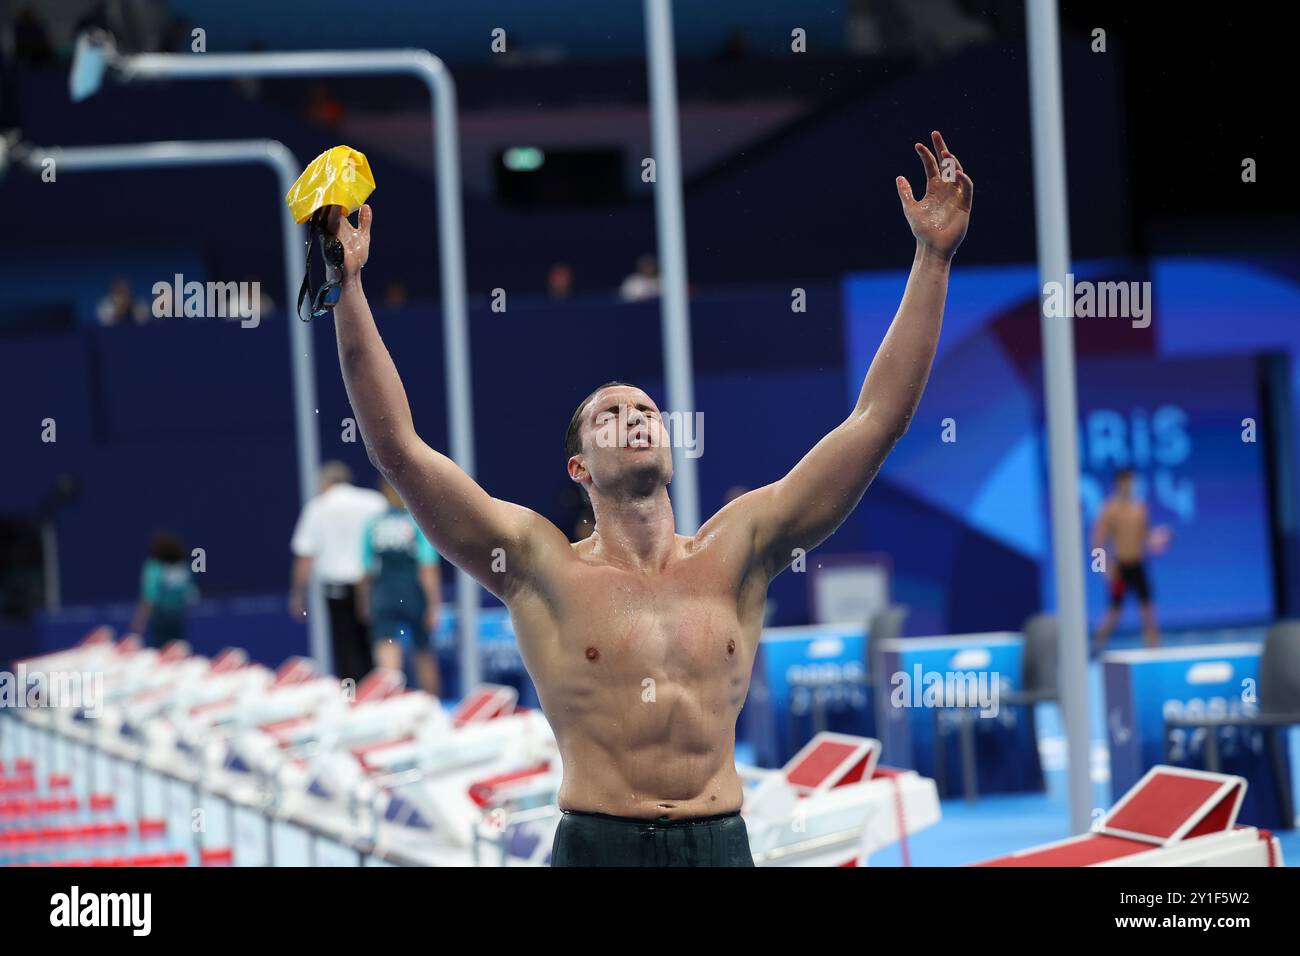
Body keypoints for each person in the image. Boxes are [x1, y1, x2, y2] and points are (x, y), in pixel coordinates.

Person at [322, 130, 971, 866]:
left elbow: (877, 420)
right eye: (610, 414)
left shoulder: (741, 549)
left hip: (721, 842)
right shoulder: (540, 567)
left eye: (646, 411)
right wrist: (347, 290)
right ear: (578, 469)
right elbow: (399, 451)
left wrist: (933, 259)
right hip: (599, 844)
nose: (634, 416)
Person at [290, 461, 388, 683]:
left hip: (338, 588)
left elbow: (305, 554)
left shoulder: (318, 507)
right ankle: (379, 695)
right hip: (375, 585)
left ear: (325, 483)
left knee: (346, 646)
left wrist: (298, 593)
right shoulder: (375, 502)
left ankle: (354, 699)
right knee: (378, 643)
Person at [358, 479, 443, 695]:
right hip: (413, 595)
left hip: (384, 595)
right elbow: (428, 568)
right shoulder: (417, 523)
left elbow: (366, 572)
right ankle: (432, 707)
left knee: (387, 657)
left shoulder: (372, 524)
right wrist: (434, 605)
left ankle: (390, 708)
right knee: (423, 653)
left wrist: (365, 603)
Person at [1090, 468, 1172, 650]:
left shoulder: (1140, 508)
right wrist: (1102, 568)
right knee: (1114, 612)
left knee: (1148, 609)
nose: (1129, 486)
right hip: (1120, 568)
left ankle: (1154, 651)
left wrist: (1157, 541)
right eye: (1126, 482)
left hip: (1138, 565)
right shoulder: (1109, 509)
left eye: (1132, 482)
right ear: (1118, 484)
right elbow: (1097, 540)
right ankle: (1095, 647)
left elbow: (1144, 536)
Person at [130, 531, 197, 648]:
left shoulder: (154, 566)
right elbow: (191, 594)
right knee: (177, 648)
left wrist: (140, 619)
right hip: (178, 615)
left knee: (161, 651)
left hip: (160, 616)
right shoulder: (182, 567)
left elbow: (150, 595)